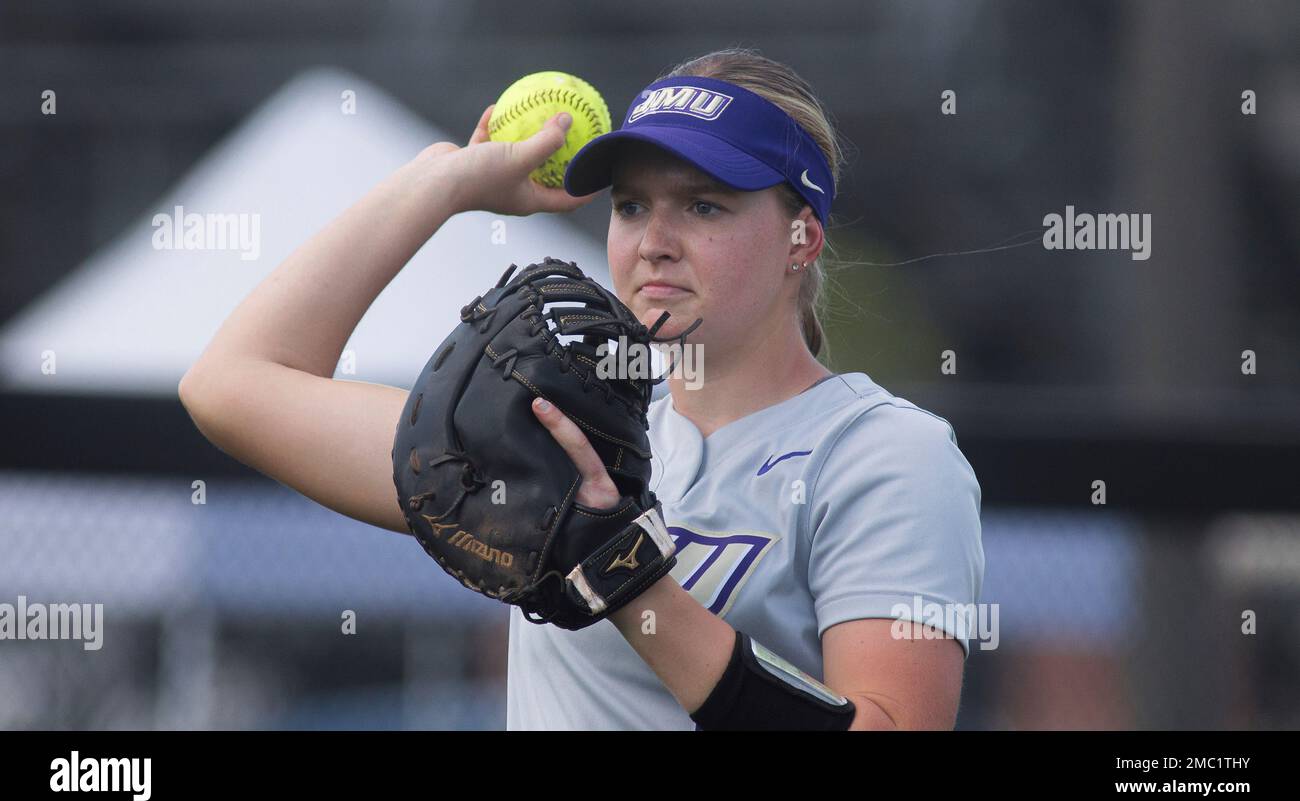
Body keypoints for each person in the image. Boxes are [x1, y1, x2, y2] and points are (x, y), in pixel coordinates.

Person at [179, 47, 983, 731]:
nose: (654, 242)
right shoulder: (558, 431)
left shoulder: (883, 455)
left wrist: (627, 580)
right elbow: (233, 383)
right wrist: (441, 184)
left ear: (801, 236)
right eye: (633, 205)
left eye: (704, 205)